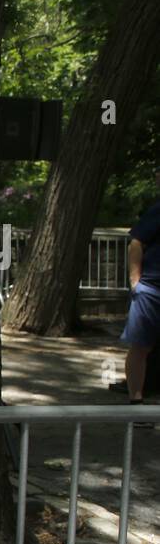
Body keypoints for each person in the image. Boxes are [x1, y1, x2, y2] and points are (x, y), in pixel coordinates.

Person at [119, 165, 160, 417]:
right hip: (152, 289)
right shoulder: (158, 211)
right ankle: (136, 405)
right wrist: (136, 282)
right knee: (141, 347)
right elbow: (136, 243)